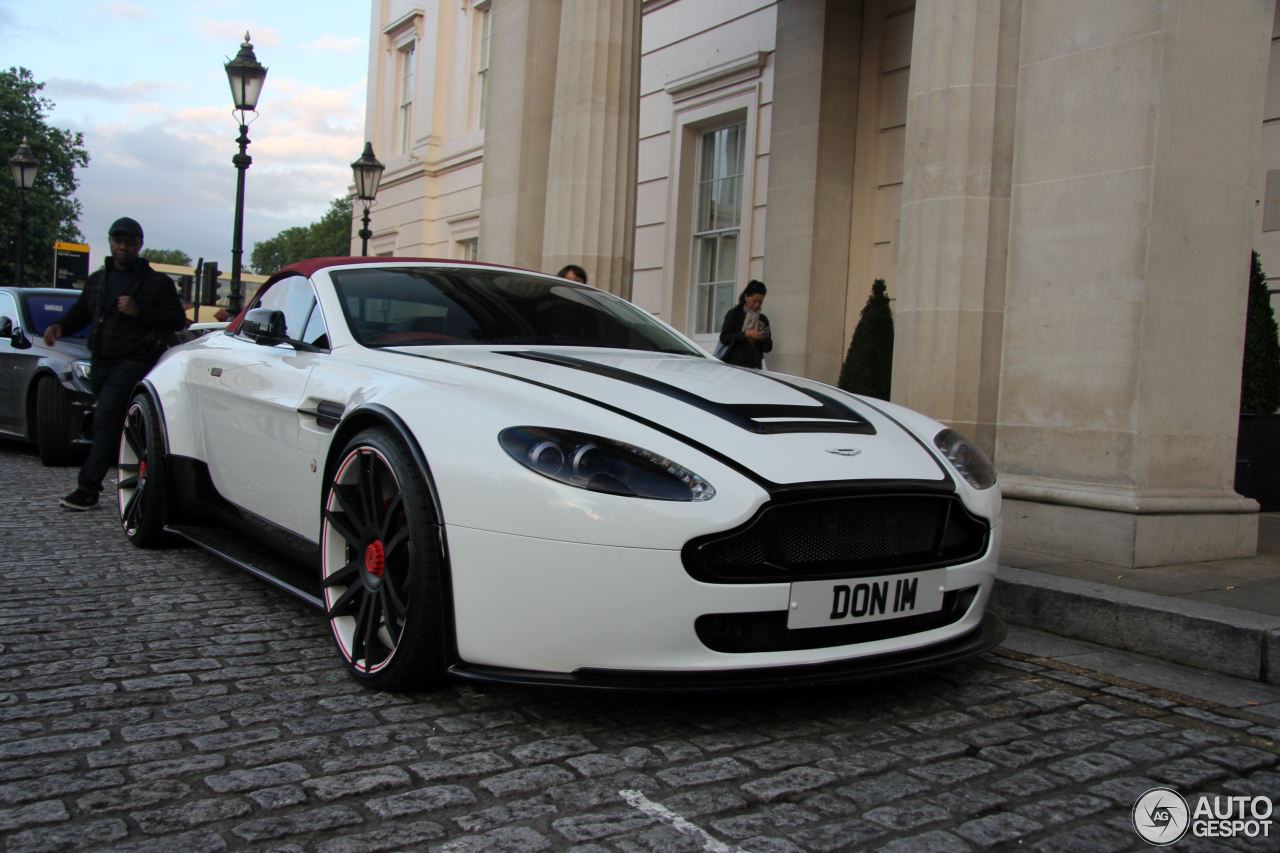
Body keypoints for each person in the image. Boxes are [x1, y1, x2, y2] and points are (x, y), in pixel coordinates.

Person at [43, 217, 188, 510]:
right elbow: (82, 311)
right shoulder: (99, 280)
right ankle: (145, 474)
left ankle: (88, 488)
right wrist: (60, 326)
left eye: (129, 242)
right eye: (118, 241)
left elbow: (175, 319)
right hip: (100, 361)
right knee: (115, 424)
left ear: (139, 245)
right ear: (111, 242)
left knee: (106, 420)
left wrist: (139, 311)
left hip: (133, 360)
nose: (123, 247)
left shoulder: (156, 283)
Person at [717, 279, 773, 369]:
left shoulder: (762, 319)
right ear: (746, 297)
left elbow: (768, 347)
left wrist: (761, 338)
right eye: (755, 301)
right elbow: (724, 338)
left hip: (755, 365)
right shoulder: (734, 314)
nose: (757, 305)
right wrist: (746, 334)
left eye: (760, 302)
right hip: (733, 365)